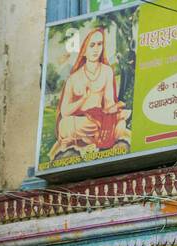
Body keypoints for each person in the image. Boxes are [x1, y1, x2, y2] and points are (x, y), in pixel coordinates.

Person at [50, 25, 130, 160]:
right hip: (81, 122)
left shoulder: (106, 71)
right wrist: (82, 99)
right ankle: (89, 140)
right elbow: (65, 112)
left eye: (100, 44)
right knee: (65, 125)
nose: (96, 49)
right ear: (84, 50)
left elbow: (109, 103)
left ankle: (90, 140)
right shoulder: (73, 79)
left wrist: (116, 107)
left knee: (120, 122)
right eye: (92, 45)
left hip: (101, 117)